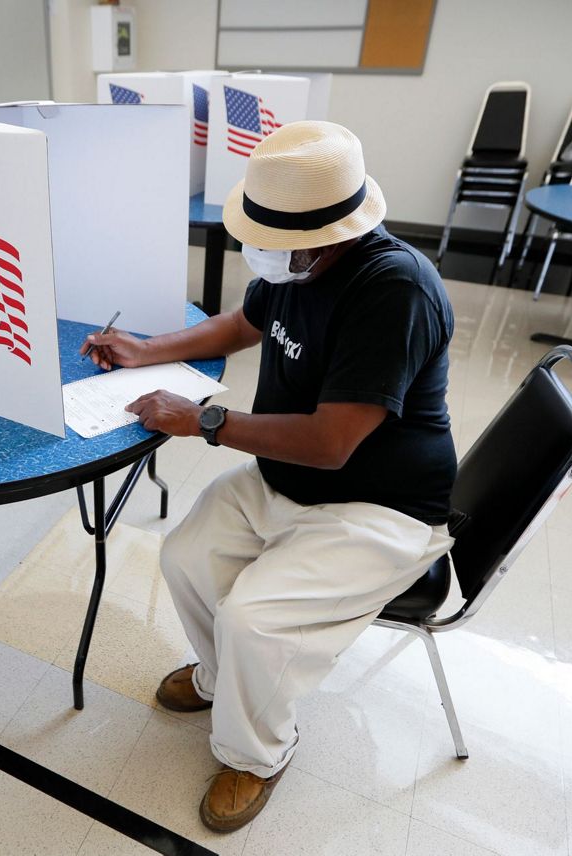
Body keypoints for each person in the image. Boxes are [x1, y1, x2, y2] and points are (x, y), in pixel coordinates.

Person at [78, 121, 456, 832]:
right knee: (185, 556)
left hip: (380, 505)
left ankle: (258, 754)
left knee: (254, 618)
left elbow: (333, 442)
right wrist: (146, 350)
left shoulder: (393, 291)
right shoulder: (296, 262)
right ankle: (224, 681)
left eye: (273, 242)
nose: (259, 254)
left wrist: (205, 420)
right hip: (286, 478)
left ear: (332, 232)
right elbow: (241, 325)